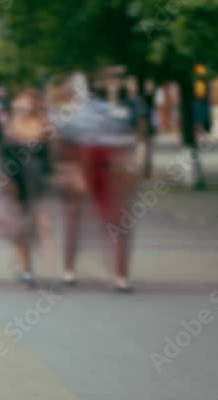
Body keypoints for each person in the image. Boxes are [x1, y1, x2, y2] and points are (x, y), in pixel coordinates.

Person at [51, 73, 139, 292]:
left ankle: (70, 271)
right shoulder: (112, 110)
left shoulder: (69, 113)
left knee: (74, 219)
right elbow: (128, 141)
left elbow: (62, 145)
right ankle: (119, 276)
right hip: (104, 161)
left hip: (89, 160)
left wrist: (69, 170)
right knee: (116, 221)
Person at [0, 88, 54, 288]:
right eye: (19, 104)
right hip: (15, 182)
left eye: (26, 103)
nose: (22, 107)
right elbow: (2, 155)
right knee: (19, 227)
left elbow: (49, 158)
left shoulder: (44, 127)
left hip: (37, 182)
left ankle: (49, 266)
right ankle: (26, 269)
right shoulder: (9, 127)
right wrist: (4, 178)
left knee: (41, 224)